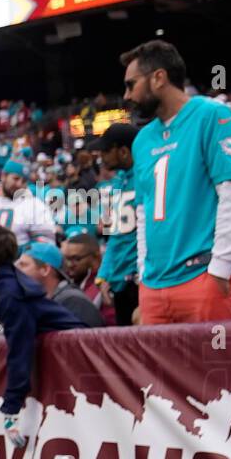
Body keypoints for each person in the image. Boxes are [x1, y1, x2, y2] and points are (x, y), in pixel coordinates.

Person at [120, 40, 231, 324]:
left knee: (218, 368)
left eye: (132, 85)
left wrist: (220, 269)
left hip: (204, 275)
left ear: (159, 78)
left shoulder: (212, 115)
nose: (127, 95)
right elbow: (143, 214)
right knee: (158, 370)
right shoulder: (142, 140)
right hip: (155, 286)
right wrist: (144, 275)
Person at [0, 226, 87, 448]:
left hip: (79, 356)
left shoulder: (10, 293)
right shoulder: (5, 287)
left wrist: (11, 408)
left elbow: (20, 349)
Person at [86, 123, 142, 326]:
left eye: (105, 151)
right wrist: (103, 274)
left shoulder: (146, 177)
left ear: (124, 151)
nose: (101, 157)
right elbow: (115, 236)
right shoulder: (119, 183)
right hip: (119, 281)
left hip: (141, 279)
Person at [16, 242, 106, 328]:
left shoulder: (73, 301)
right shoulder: (34, 300)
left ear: (45, 269)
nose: (16, 270)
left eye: (23, 265)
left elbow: (83, 342)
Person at [0, 158, 57, 252]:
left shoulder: (35, 206)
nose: (19, 184)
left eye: (24, 181)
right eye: (16, 178)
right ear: (3, 176)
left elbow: (46, 245)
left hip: (19, 264)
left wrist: (17, 252)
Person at [59, 232, 112, 324]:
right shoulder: (64, 283)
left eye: (76, 259)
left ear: (96, 258)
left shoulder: (105, 285)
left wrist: (108, 304)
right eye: (67, 259)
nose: (69, 264)